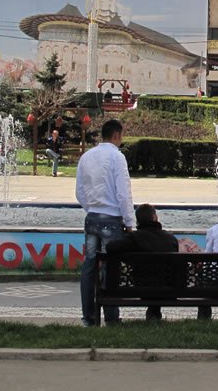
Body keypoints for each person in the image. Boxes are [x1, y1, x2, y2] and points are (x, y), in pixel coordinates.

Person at [75, 118, 135, 326]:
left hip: (92, 218)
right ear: (117, 135)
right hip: (111, 219)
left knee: (89, 266)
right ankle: (111, 316)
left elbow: (80, 192)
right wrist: (129, 222)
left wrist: (92, 208)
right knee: (110, 268)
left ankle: (89, 317)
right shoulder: (117, 157)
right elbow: (123, 193)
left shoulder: (87, 156)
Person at [105, 203, 178, 320]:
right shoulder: (170, 238)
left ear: (138, 221)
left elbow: (110, 247)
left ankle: (153, 314)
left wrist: (126, 235)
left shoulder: (134, 238)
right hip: (169, 290)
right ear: (155, 218)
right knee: (159, 276)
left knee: (150, 278)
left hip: (141, 289)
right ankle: (154, 313)